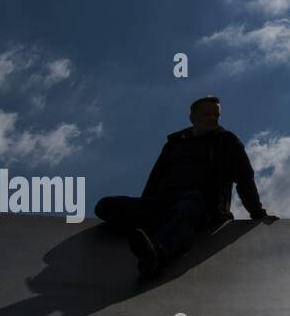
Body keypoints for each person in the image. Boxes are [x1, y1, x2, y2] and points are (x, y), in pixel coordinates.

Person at [94, 96, 277, 277]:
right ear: (193, 118)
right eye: (207, 115)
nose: (212, 118)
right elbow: (155, 177)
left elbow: (245, 178)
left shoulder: (227, 141)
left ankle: (157, 254)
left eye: (216, 115)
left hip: (204, 207)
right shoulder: (175, 144)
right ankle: (163, 227)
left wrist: (257, 213)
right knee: (106, 205)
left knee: (188, 204)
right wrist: (145, 204)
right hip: (164, 203)